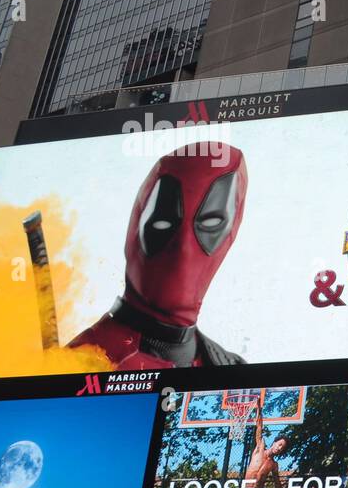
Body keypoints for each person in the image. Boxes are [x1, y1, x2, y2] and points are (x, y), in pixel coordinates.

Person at [69, 142, 248, 367]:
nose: (184, 247)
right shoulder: (83, 362)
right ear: (136, 226)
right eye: (163, 223)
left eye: (210, 223)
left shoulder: (230, 367)